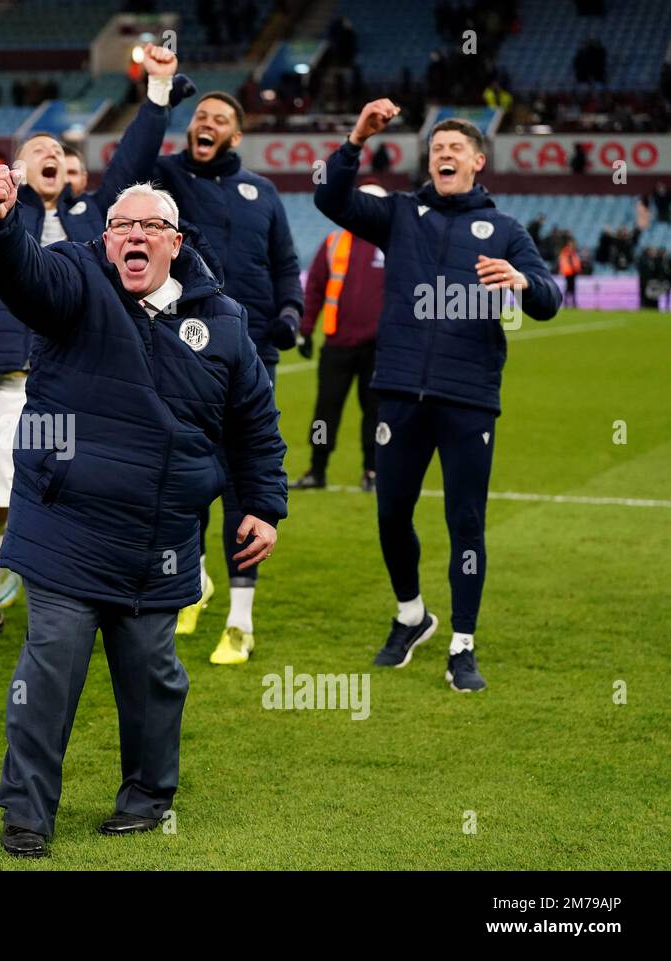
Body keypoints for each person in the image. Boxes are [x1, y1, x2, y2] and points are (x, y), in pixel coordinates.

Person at [0, 171, 287, 857]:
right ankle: (26, 813)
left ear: (176, 242)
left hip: (160, 537)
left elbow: (254, 423)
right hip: (65, 525)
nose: (133, 236)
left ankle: (146, 797)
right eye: (121, 226)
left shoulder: (224, 321)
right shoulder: (74, 282)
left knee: (154, 678)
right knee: (49, 671)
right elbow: (20, 273)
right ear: (105, 239)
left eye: (149, 227)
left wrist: (263, 503)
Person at [0, 46, 177, 657]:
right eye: (37, 152)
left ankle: (87, 607)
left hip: (84, 392)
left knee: (79, 506)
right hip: (14, 390)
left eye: (60, 155)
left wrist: (158, 89)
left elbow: (133, 160)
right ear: (12, 171)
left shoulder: (98, 219)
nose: (51, 158)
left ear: (73, 174)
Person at [315, 101, 561, 693]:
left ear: (478, 161)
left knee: (465, 521)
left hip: (469, 395)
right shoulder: (401, 214)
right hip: (399, 390)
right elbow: (329, 196)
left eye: (455, 148)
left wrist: (523, 280)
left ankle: (463, 644)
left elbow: (549, 298)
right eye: (436, 148)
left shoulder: (505, 231)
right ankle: (411, 615)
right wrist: (355, 140)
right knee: (392, 512)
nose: (444, 154)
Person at [151, 89, 303, 665]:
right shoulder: (165, 177)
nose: (206, 124)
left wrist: (289, 312)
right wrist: (160, 99)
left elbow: (285, 263)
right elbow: (131, 160)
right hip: (181, 347)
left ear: (236, 136)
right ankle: (192, 582)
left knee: (243, 479)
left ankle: (240, 621)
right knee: (183, 470)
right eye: (200, 118)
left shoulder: (261, 192)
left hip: (253, 350)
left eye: (219, 119)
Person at [292, 181, 386, 492]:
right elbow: (315, 288)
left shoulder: (394, 244)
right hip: (337, 344)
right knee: (325, 411)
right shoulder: (334, 242)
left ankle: (372, 471)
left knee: (375, 412)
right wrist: (305, 331)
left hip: (379, 347)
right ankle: (317, 469)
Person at [558, 235, 582, 308]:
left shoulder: (572, 252)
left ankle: (572, 303)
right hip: (568, 272)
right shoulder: (566, 252)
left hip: (573, 272)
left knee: (572, 288)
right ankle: (567, 303)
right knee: (569, 288)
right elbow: (567, 262)